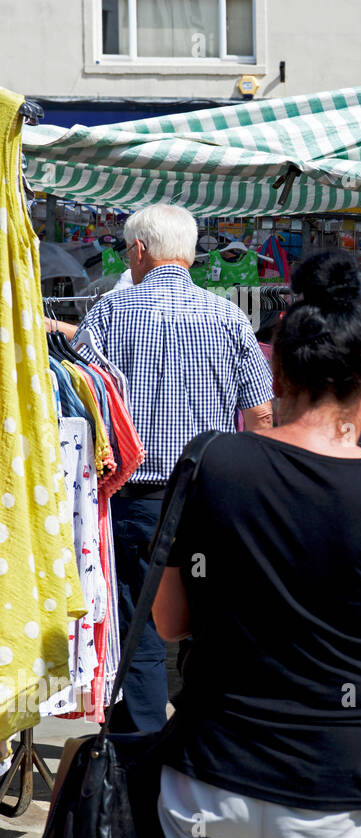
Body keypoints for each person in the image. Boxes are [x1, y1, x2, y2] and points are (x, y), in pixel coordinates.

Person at [151, 252, 361, 838]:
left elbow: (168, 620)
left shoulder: (209, 464)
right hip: (347, 786)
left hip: (213, 773)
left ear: (276, 373)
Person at [74, 203, 274, 734]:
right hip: (212, 496)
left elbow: (81, 407)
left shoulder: (108, 316)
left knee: (139, 625)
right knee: (210, 615)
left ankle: (141, 740)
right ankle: (210, 727)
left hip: (136, 501)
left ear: (138, 251)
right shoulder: (230, 317)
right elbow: (259, 417)